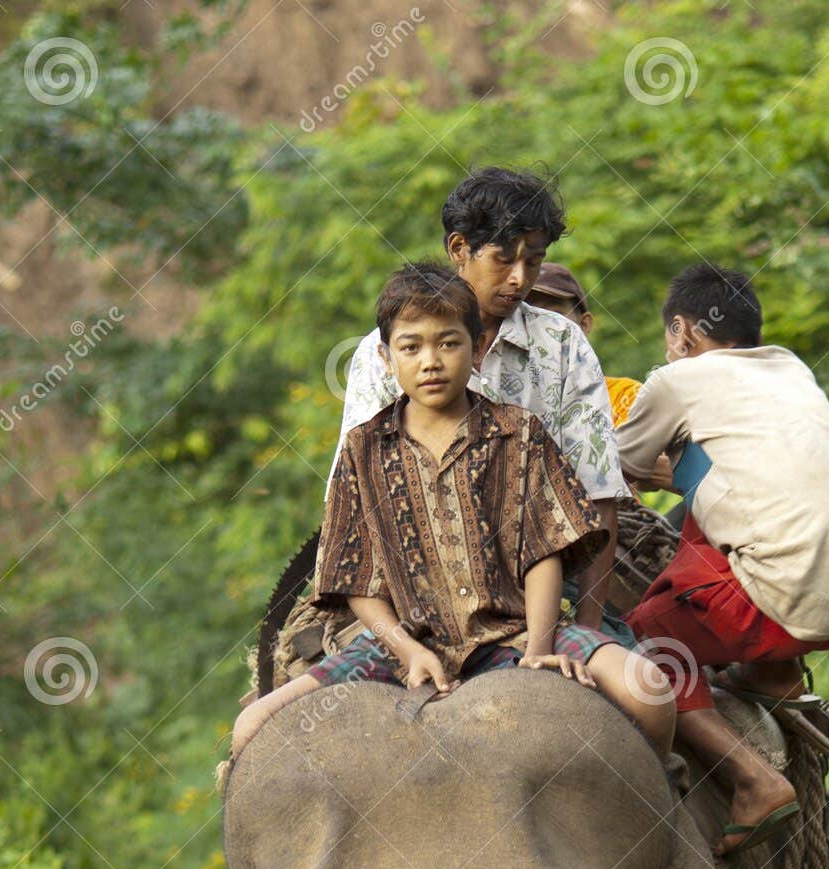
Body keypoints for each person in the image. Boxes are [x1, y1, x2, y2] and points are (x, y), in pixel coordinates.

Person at [232, 263, 675, 759]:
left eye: (448, 343)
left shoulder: (520, 434)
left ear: (476, 348)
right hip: (397, 643)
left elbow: (544, 553)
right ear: (386, 358)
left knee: (649, 692)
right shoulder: (361, 450)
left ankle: (665, 787)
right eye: (411, 347)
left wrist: (539, 650)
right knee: (251, 727)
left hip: (512, 633)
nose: (431, 362)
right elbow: (356, 581)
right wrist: (407, 650)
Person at [615, 261, 829, 855]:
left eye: (669, 335)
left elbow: (618, 471)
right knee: (723, 500)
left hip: (787, 604)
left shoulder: (676, 379)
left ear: (682, 331)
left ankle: (753, 779)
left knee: (643, 641)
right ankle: (774, 672)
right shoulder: (789, 368)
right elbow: (732, 477)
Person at [328, 167, 629, 630]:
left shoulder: (562, 344)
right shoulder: (383, 351)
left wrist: (588, 625)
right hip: (412, 590)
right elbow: (356, 488)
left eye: (534, 261)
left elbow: (599, 489)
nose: (520, 278)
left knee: (627, 665)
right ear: (458, 249)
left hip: (544, 577)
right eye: (503, 260)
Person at [525, 261, 641, 425]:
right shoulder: (502, 401)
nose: (541, 326)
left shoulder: (624, 397)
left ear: (584, 324)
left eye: (555, 315)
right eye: (527, 317)